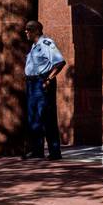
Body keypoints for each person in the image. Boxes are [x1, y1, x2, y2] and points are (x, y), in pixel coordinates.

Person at [22, 20, 66, 161]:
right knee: (33, 117)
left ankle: (54, 151)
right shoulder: (34, 47)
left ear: (36, 31)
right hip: (31, 84)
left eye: (29, 29)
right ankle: (37, 150)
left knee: (47, 117)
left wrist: (48, 79)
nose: (26, 32)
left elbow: (60, 62)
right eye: (26, 29)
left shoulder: (46, 43)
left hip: (42, 82)